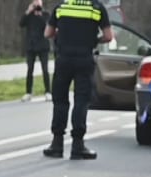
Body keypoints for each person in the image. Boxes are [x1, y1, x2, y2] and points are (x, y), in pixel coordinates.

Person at [43, 0, 113, 160]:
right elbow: (109, 36)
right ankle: (77, 145)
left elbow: (47, 33)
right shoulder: (96, 8)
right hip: (84, 59)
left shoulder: (62, 7)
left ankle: (57, 144)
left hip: (63, 59)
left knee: (60, 101)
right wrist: (94, 40)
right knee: (81, 101)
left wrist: (62, 35)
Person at [20, 0, 52, 102]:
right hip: (31, 46)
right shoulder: (29, 16)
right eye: (35, 3)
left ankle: (48, 92)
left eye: (39, 3)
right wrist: (27, 12)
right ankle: (28, 92)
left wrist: (39, 15)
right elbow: (21, 24)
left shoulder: (46, 14)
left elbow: (47, 26)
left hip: (43, 46)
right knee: (30, 70)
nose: (37, 5)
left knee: (45, 70)